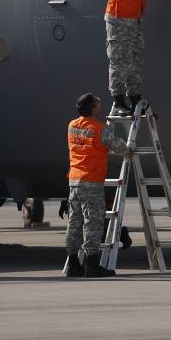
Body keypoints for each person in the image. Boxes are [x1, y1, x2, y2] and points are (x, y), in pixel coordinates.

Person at [63, 93, 130, 278]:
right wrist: (130, 148)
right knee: (93, 222)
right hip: (91, 180)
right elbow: (117, 146)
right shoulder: (100, 128)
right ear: (93, 108)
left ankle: (73, 264)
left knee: (74, 222)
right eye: (98, 103)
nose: (101, 105)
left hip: (75, 179)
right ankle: (91, 264)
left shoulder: (72, 125)